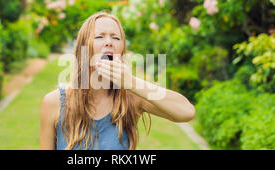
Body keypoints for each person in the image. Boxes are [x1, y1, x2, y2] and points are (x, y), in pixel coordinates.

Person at [39, 12, 195, 150]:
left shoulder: (131, 97)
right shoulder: (55, 103)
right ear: (83, 48)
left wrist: (131, 83)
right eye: (100, 36)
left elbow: (186, 112)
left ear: (121, 50)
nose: (109, 42)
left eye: (115, 37)